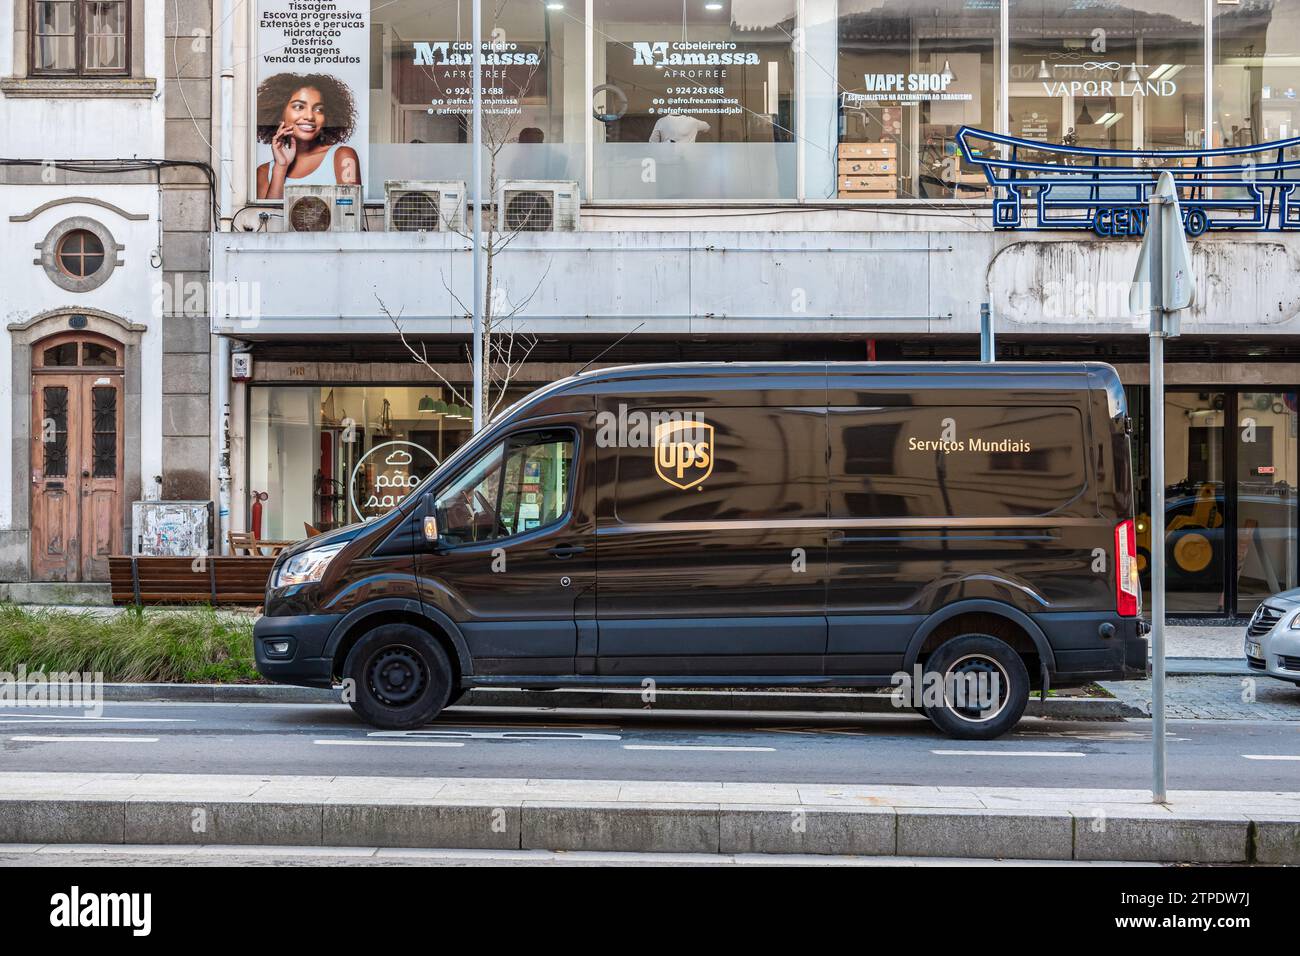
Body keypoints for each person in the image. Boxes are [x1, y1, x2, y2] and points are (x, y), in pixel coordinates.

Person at [256, 72, 361, 200]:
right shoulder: (264, 172)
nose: (310, 116)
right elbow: (270, 218)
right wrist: (280, 168)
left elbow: (350, 214)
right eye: (299, 107)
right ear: (279, 113)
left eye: (319, 110)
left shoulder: (343, 157)